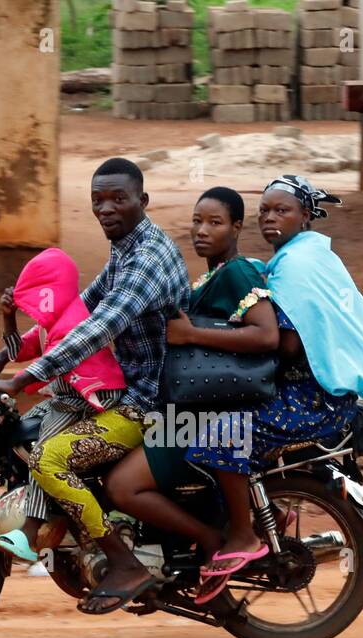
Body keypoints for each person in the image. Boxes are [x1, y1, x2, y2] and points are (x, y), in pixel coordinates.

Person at [0, 158, 190, 614]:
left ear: (142, 201)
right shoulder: (126, 251)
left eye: (118, 198)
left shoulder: (146, 260)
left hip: (143, 402)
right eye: (98, 200)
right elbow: (78, 313)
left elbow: (100, 330)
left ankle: (123, 563)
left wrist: (24, 379)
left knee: (50, 457)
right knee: (32, 428)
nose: (106, 209)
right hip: (123, 390)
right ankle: (44, 531)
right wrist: (6, 354)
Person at [184, 174, 363, 604]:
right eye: (265, 212)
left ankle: (241, 533)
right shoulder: (311, 257)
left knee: (219, 434)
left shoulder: (295, 265)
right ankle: (264, 510)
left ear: (305, 216)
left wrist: (231, 331)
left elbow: (287, 342)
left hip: (315, 398)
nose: (270, 219)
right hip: (330, 389)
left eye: (282, 211)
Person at [104, 186, 281, 584]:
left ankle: (212, 542)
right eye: (198, 221)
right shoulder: (210, 277)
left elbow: (266, 335)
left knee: (123, 487)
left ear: (236, 227)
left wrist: (192, 336)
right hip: (186, 410)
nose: (202, 230)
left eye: (215, 223)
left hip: (201, 417)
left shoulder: (238, 272)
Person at [0, 247, 126, 563]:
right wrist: (8, 316)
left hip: (87, 399)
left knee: (45, 452)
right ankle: (35, 503)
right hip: (65, 396)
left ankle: (30, 531)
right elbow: (18, 351)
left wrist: (12, 384)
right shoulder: (49, 323)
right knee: (22, 429)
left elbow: (49, 365)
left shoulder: (69, 324)